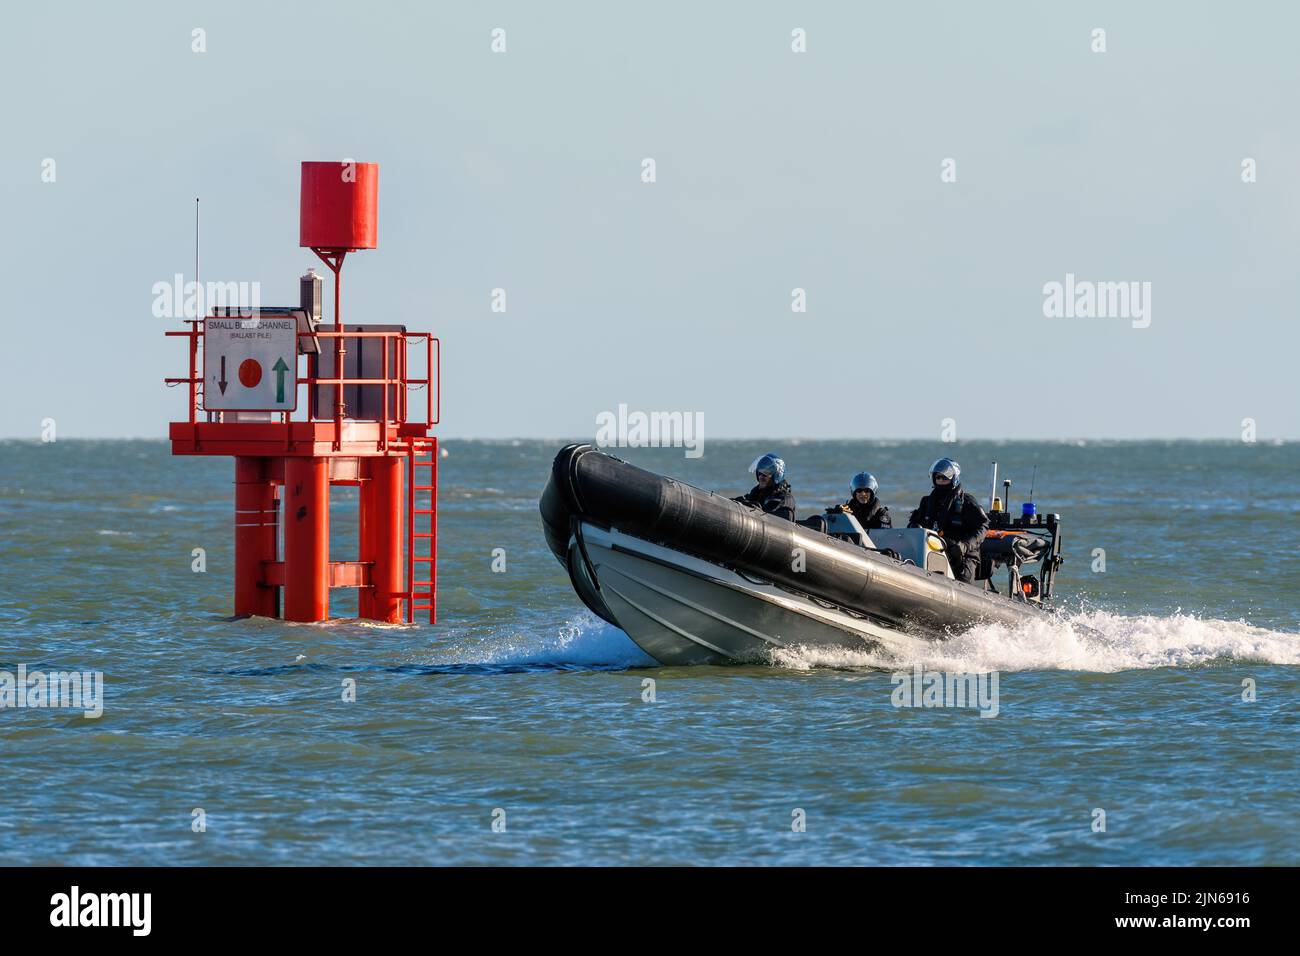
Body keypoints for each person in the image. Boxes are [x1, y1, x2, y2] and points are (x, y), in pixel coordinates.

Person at [907, 457, 988, 583]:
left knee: (963, 583)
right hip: (932, 551)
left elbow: (982, 527)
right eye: (938, 477)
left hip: (963, 555)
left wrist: (964, 546)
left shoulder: (966, 502)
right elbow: (914, 525)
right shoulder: (927, 503)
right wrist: (915, 527)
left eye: (944, 478)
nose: (940, 481)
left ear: (953, 479)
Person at [732, 453, 796, 521]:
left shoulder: (785, 499)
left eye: (765, 474)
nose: (761, 477)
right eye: (759, 473)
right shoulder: (757, 493)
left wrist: (758, 511)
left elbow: (776, 521)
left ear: (776, 475)